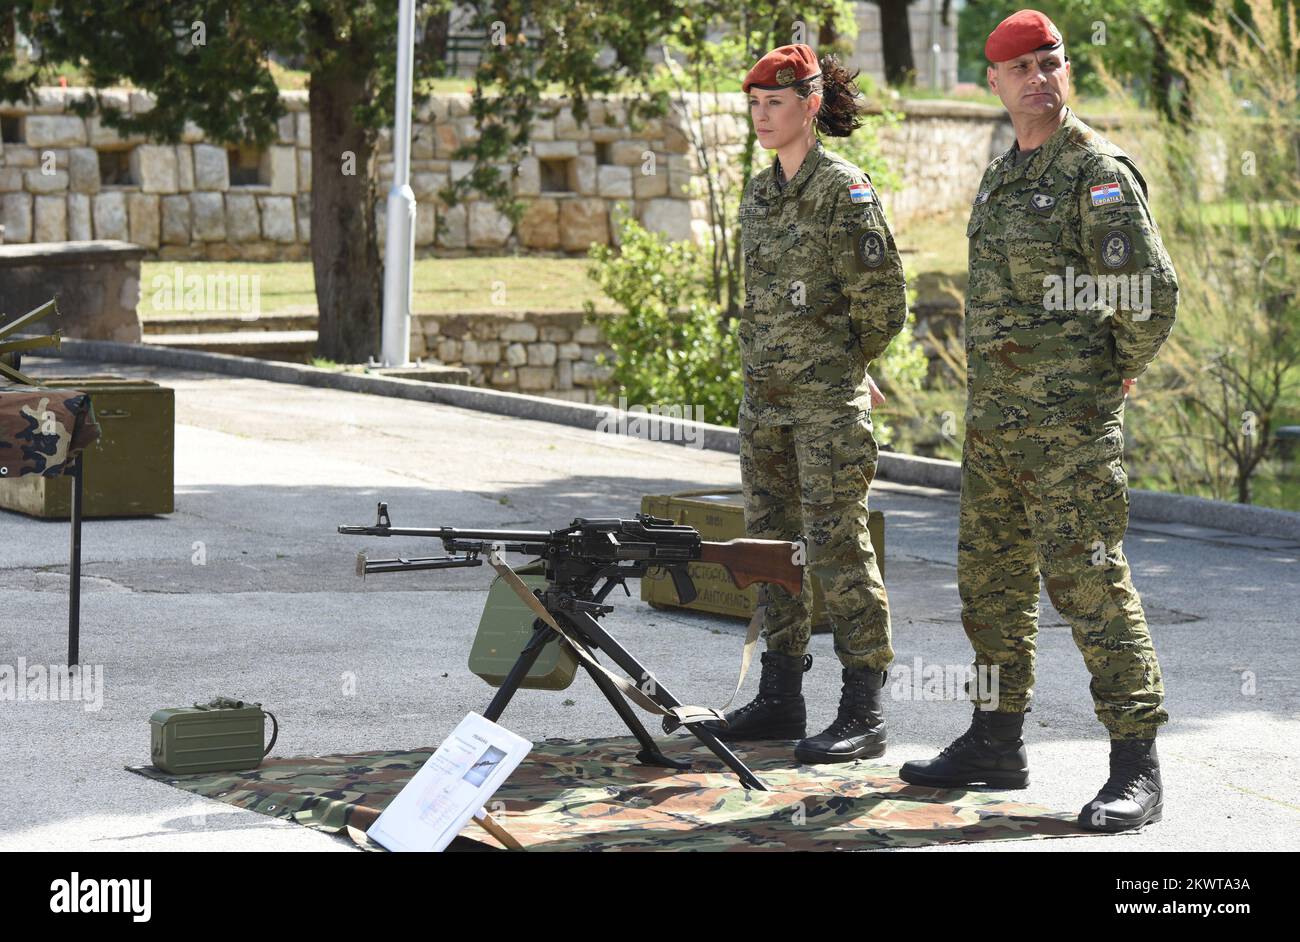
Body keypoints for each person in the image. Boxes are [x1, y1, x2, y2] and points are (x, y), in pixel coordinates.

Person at [897, 10, 1178, 832]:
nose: (1038, 78)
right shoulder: (1002, 175)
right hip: (994, 434)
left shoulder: (1098, 171)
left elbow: (1149, 297)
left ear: (1066, 71)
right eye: (1020, 68)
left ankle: (1136, 765)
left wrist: (1112, 370)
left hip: (1069, 435)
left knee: (1090, 588)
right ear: (994, 83)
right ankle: (994, 741)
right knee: (991, 591)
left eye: (1049, 63)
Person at [700, 43, 908, 764]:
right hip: (765, 405)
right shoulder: (760, 193)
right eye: (754, 104)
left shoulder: (843, 191)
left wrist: (847, 367)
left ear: (810, 106)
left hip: (825, 409)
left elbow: (885, 304)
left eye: (776, 104)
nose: (762, 117)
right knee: (768, 549)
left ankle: (863, 711)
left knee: (838, 548)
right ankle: (780, 697)